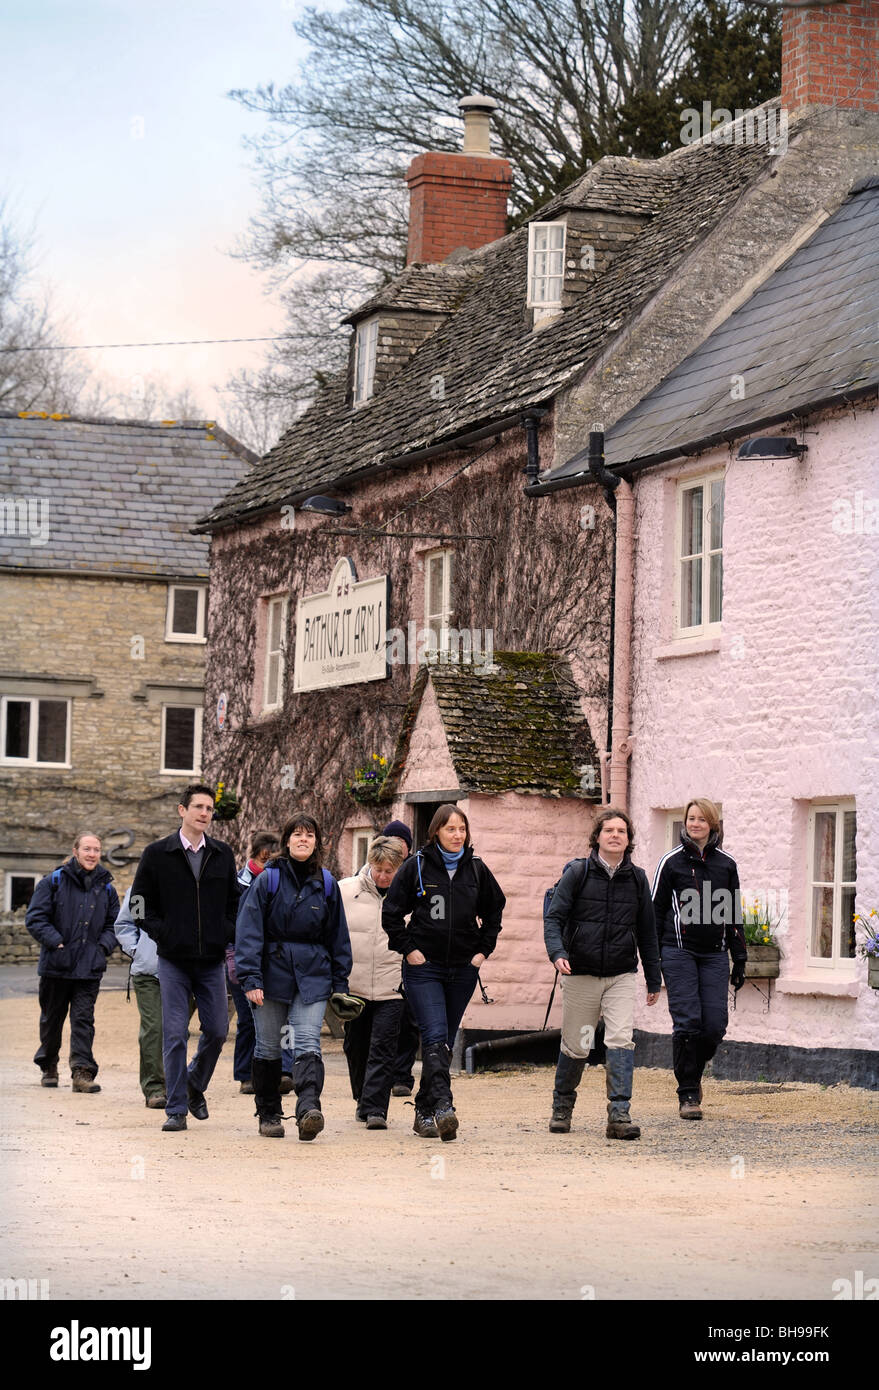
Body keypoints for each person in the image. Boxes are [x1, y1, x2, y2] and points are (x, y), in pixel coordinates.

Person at [382, 805, 505, 1142]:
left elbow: (495, 911)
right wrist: (408, 948)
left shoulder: (477, 870)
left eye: (461, 829)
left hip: (462, 970)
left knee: (443, 1043)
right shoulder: (416, 867)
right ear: (436, 831)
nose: (457, 835)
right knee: (435, 1034)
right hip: (425, 969)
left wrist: (482, 951)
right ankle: (444, 1106)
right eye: (450, 829)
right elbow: (391, 913)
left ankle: (424, 1111)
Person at [543, 807, 661, 1140]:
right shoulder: (578, 874)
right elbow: (554, 918)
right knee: (578, 1045)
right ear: (597, 837)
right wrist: (558, 953)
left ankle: (619, 1114)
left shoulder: (637, 879)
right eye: (608, 830)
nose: (615, 835)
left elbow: (648, 932)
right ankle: (562, 1107)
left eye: (621, 831)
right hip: (581, 973)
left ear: (628, 840)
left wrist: (653, 978)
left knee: (621, 1039)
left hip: (621, 974)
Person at [235, 812, 352, 1140]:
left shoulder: (327, 883)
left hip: (313, 974)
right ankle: (269, 1111)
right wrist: (251, 978)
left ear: (317, 842)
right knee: (269, 1045)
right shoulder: (267, 880)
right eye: (297, 834)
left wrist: (340, 984)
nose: (304, 839)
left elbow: (338, 936)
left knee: (307, 1040)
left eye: (310, 835)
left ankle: (308, 1109)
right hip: (271, 973)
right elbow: (248, 931)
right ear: (286, 841)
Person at [130, 784, 239, 1132]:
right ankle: (176, 1109)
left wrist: (225, 932)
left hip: (211, 961)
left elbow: (235, 902)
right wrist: (163, 933)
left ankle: (193, 1083)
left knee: (219, 1030)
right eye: (198, 807)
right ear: (182, 810)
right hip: (173, 961)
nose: (205, 813)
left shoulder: (223, 854)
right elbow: (138, 904)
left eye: (209, 808)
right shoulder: (157, 853)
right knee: (174, 1033)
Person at [651, 797, 747, 1120]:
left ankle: (694, 1068)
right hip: (678, 951)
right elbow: (654, 912)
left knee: (715, 1025)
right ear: (685, 822)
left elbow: (734, 915)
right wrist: (652, 960)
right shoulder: (671, 863)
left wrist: (741, 957)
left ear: (712, 825)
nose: (695, 824)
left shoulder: (726, 865)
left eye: (701, 819)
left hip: (715, 955)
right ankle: (688, 1092)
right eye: (691, 818)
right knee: (688, 1021)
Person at [26, 832, 120, 1093]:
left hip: (89, 968)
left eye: (97, 850)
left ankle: (82, 1072)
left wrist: (102, 947)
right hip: (56, 965)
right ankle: (49, 1066)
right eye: (87, 849)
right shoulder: (52, 882)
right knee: (52, 1019)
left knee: (83, 1020)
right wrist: (56, 941)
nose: (92, 854)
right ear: (75, 851)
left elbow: (114, 925)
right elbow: (35, 918)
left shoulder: (107, 887)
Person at [339, 835, 409, 1130]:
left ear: (399, 869)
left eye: (389, 871)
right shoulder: (345, 891)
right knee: (355, 1045)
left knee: (383, 1046)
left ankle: (376, 1109)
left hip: (392, 985)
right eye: (378, 869)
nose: (382, 876)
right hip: (354, 986)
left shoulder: (410, 896)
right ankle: (362, 1098)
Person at [227, 831, 293, 1094]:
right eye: (262, 859)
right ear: (252, 855)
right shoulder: (238, 884)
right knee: (247, 1019)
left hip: (276, 960)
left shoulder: (283, 881)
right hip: (244, 957)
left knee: (282, 1020)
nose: (265, 864)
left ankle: (283, 1071)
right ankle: (245, 1074)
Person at [379, 819, 421, 1098]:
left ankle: (402, 1075)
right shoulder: (372, 875)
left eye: (401, 842)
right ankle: (378, 1076)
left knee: (409, 1020)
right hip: (377, 960)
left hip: (407, 957)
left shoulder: (417, 872)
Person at [114, 886, 166, 1108]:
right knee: (154, 1027)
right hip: (148, 973)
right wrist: (137, 951)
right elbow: (125, 924)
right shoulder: (140, 890)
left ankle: (178, 1083)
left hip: (184, 970)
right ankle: (154, 1087)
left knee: (177, 1029)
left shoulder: (188, 880)